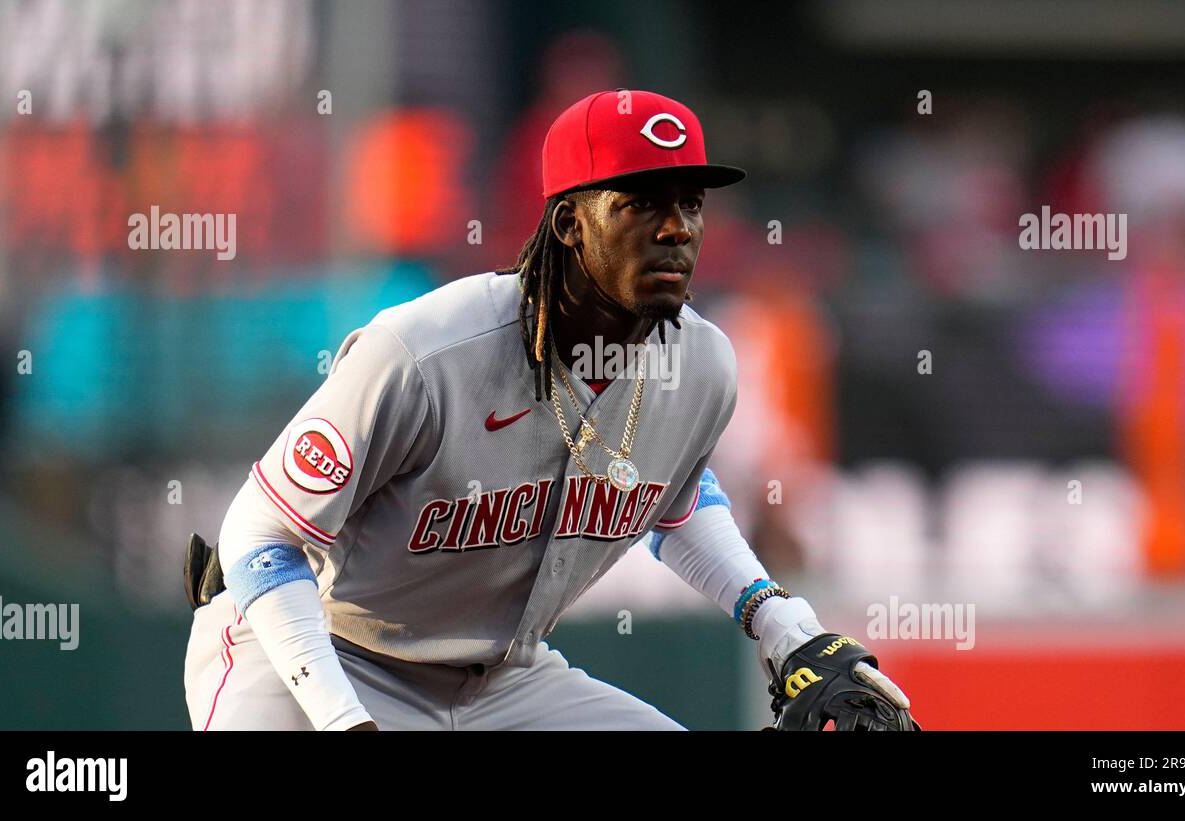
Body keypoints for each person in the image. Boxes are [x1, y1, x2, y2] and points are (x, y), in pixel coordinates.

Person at [183, 89, 916, 730]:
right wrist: (345, 721)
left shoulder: (702, 364)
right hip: (313, 655)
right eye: (642, 202)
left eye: (690, 202)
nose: (678, 228)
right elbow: (255, 533)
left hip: (504, 683)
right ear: (569, 222)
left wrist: (783, 623)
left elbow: (678, 504)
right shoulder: (426, 352)